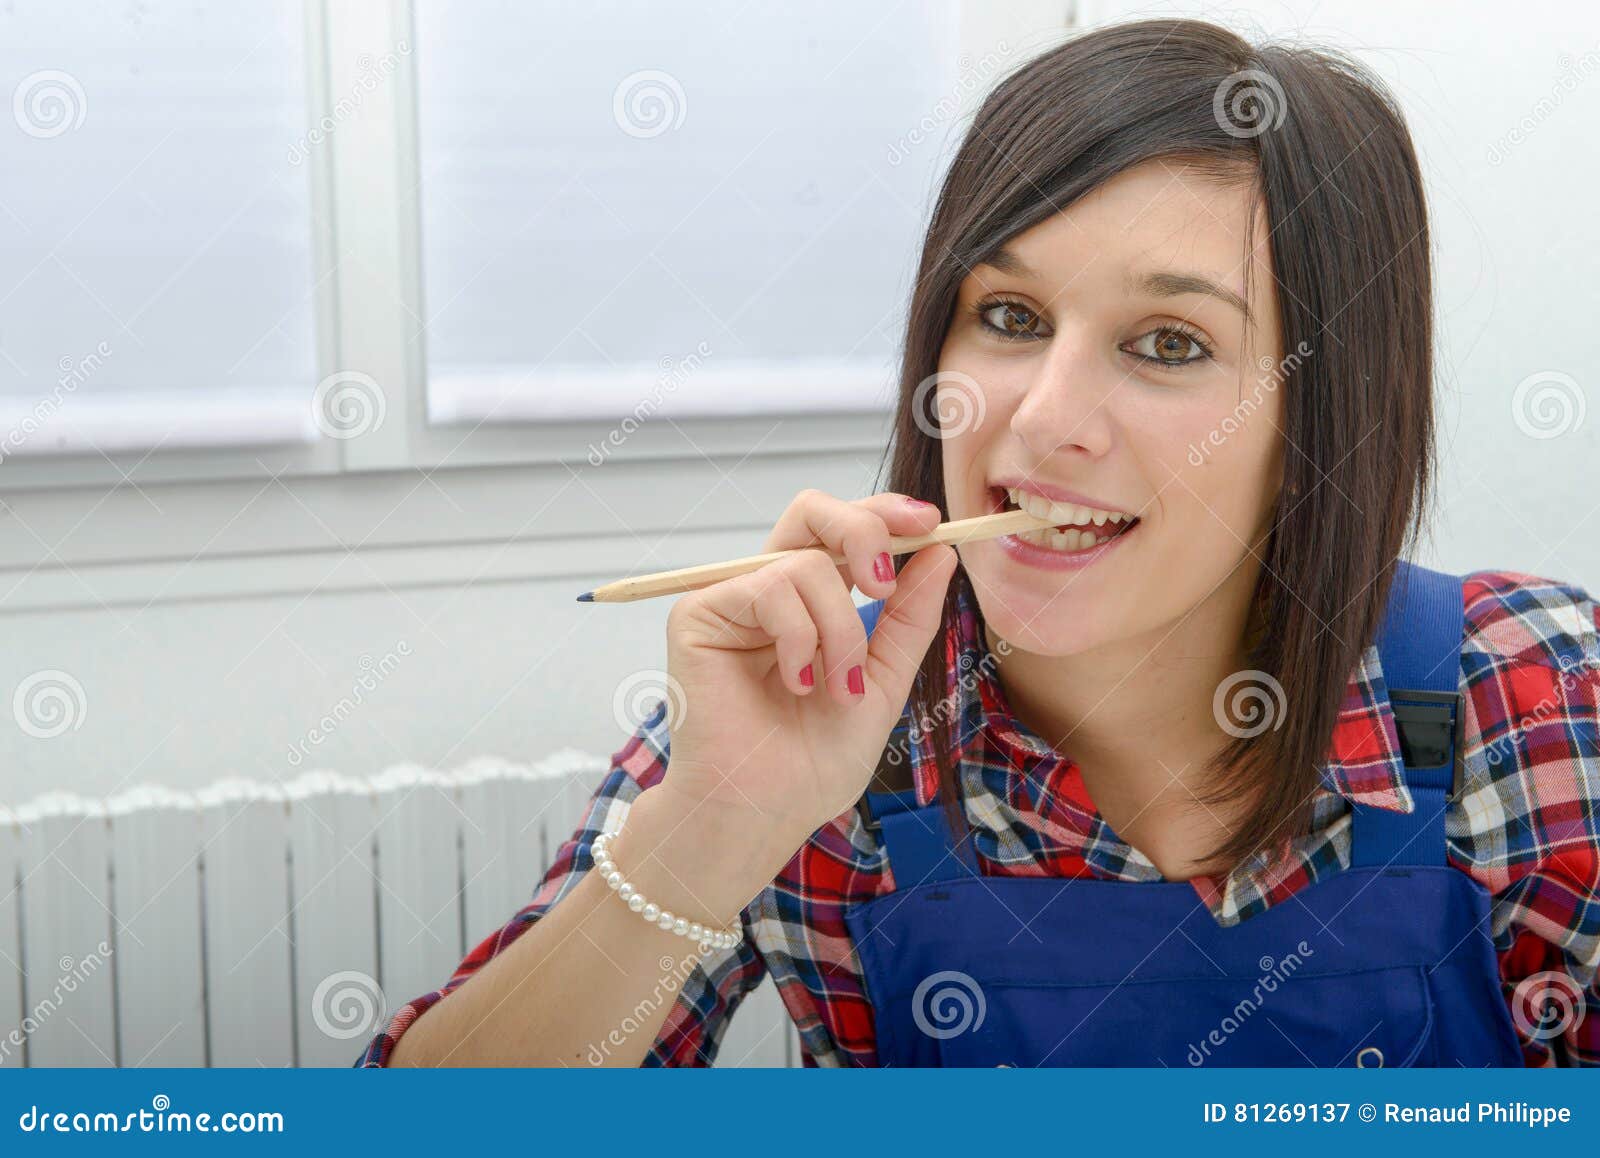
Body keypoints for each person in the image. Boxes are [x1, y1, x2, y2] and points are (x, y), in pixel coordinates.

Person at [357, 18, 1598, 1068]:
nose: (1039, 419)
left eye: (1167, 343)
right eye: (1006, 315)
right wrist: (708, 831)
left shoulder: (1539, 700)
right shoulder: (807, 712)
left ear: (1328, 413)